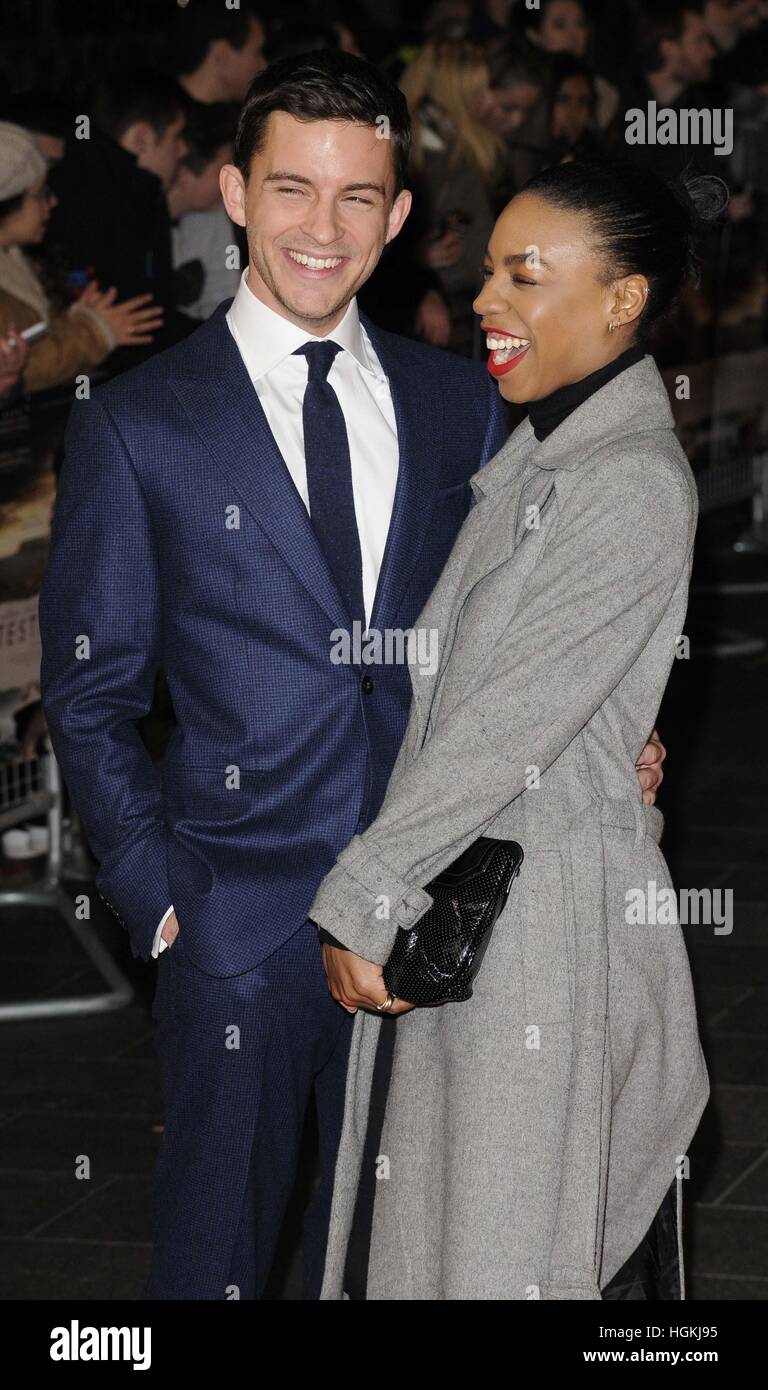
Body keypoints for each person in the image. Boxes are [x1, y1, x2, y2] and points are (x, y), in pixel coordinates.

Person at [38, 54, 664, 1303]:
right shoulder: (139, 424)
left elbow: (526, 638)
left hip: (439, 919)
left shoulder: (464, 407)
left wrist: (601, 748)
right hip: (240, 934)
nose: (323, 230)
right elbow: (92, 696)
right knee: (211, 1267)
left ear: (398, 216)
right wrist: (166, 903)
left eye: (358, 199)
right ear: (231, 192)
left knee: (414, 1263)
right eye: (291, 191)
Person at [309, 156, 717, 1301]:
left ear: (622, 298)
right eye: (489, 270)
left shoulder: (623, 477)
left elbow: (505, 725)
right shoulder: (547, 455)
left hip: (535, 938)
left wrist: (367, 890)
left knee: (501, 1251)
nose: (487, 299)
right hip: (497, 912)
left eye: (525, 274)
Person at [0, 123, 162, 393]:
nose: (52, 202)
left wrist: (76, 318)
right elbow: (20, 371)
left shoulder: (12, 257)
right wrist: (93, 332)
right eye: (40, 194)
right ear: (9, 203)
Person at [46, 71, 191, 367]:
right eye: (176, 137)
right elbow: (148, 321)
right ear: (142, 138)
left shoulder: (60, 177)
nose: (184, 150)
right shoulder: (138, 194)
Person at [400, 40, 502, 355]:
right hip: (442, 326)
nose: (489, 101)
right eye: (479, 91)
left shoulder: (463, 150)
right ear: (455, 97)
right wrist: (419, 277)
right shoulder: (417, 158)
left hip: (466, 314)